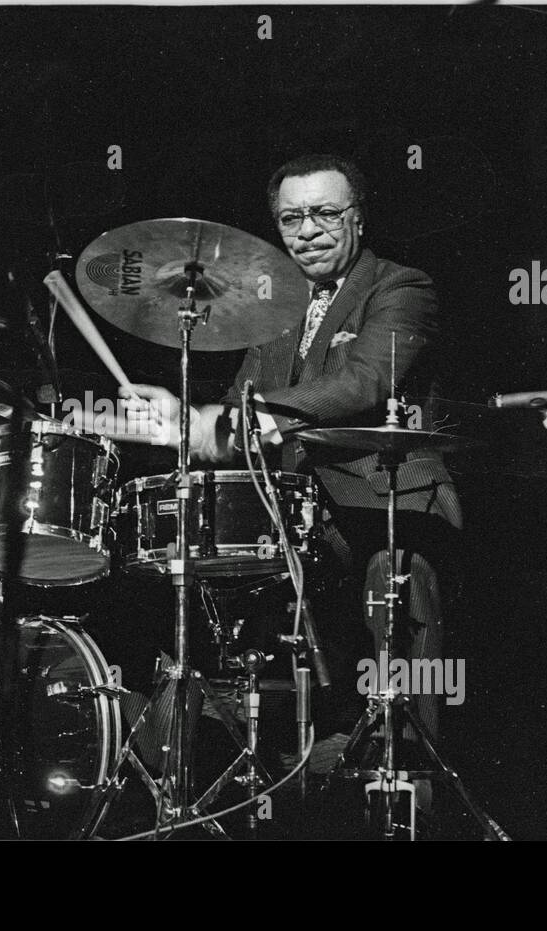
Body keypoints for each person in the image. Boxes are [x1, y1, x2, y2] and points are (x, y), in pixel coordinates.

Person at [121, 154, 462, 777]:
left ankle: (406, 785)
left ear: (358, 217)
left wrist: (253, 418)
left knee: (396, 578)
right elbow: (238, 413)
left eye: (325, 213)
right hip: (300, 517)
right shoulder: (274, 309)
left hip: (386, 503)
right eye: (291, 218)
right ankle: (228, 775)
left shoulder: (401, 287)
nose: (307, 230)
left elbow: (364, 383)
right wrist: (185, 418)